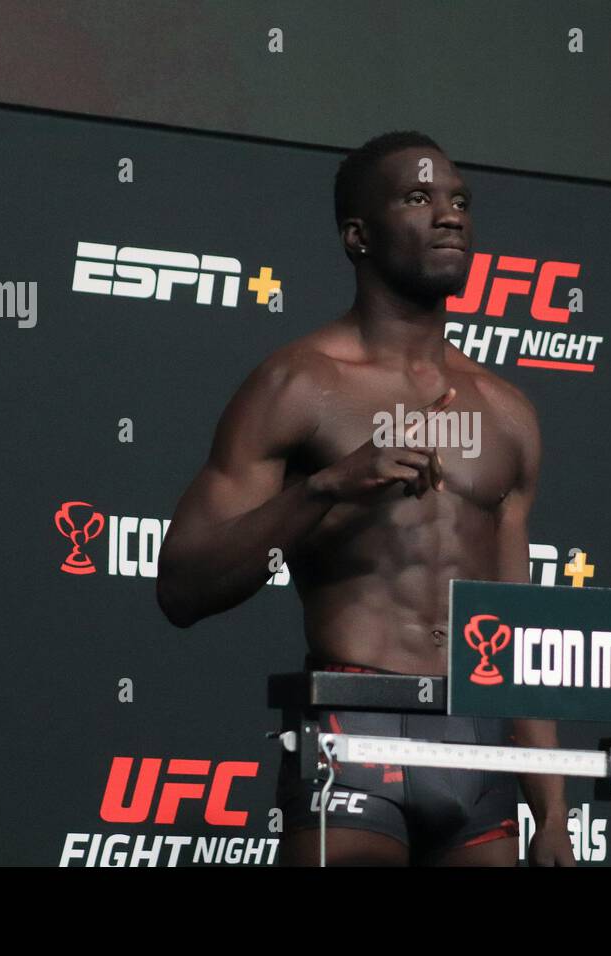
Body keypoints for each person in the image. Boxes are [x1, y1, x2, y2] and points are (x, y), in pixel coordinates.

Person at [156, 130, 574, 866]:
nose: (449, 215)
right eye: (418, 198)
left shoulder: (508, 414)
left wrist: (554, 813)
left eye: (459, 201)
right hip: (355, 726)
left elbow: (519, 633)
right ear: (359, 236)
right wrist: (325, 488)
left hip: (479, 748)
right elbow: (182, 586)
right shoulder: (301, 385)